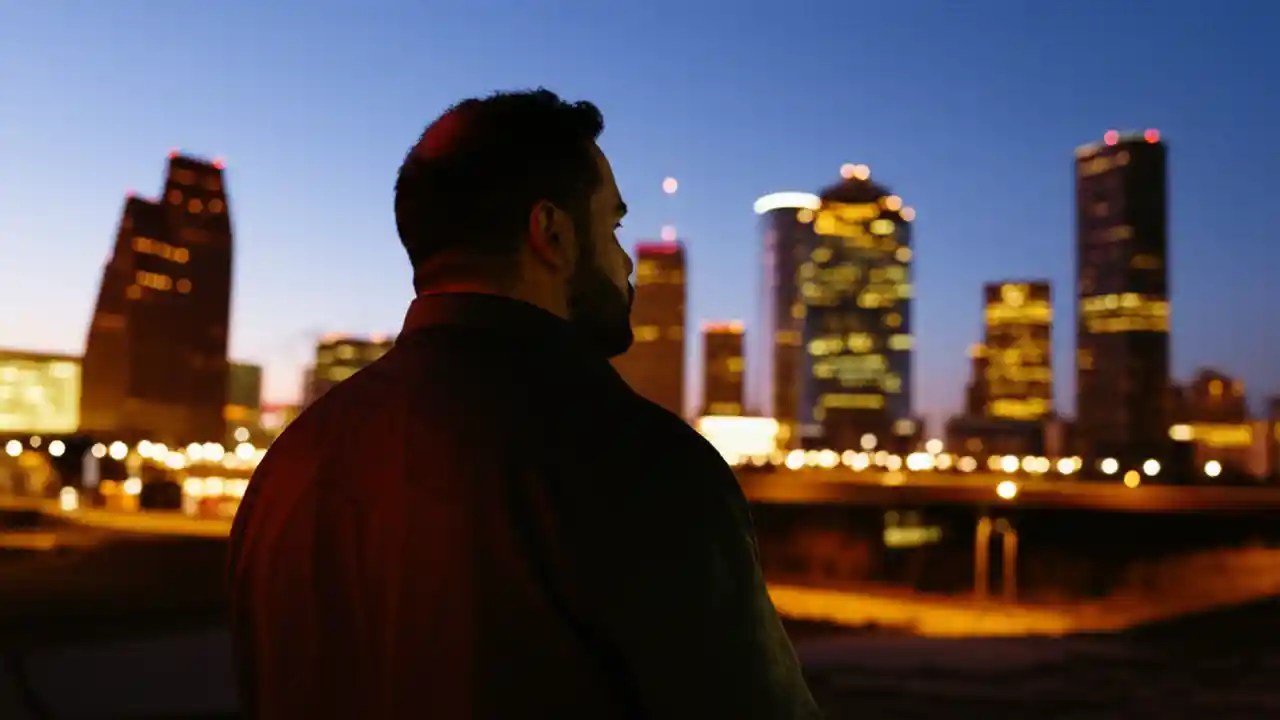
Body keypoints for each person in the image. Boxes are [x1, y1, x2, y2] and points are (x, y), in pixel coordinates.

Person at [228, 88, 821, 719]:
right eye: (614, 227)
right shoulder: (640, 463)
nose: (626, 262)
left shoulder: (287, 469)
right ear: (552, 233)